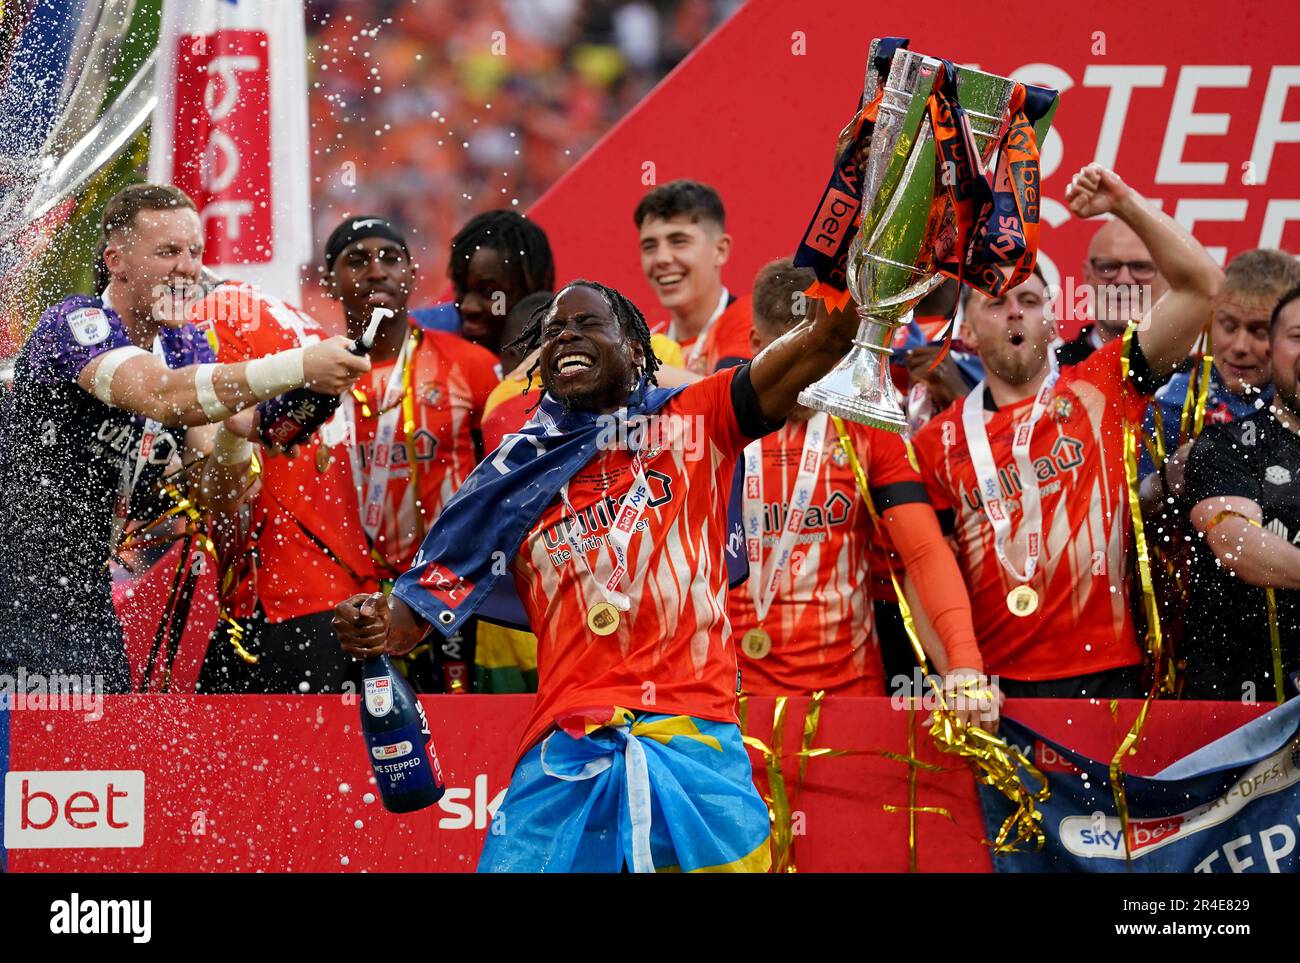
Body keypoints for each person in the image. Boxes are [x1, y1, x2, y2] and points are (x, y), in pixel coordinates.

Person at [334, 269, 896, 872]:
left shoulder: (698, 419)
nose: (565, 336)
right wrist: (367, 621)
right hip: (564, 753)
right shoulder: (508, 478)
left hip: (695, 742)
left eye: (586, 323)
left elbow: (825, 340)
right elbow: (405, 621)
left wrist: (869, 234)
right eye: (552, 332)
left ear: (634, 349)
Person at [0, 183, 368, 692]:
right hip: (15, 584)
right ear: (117, 260)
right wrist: (299, 364)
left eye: (194, 252)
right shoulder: (77, 322)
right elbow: (161, 395)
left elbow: (214, 495)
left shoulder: (185, 342)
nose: (188, 268)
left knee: (98, 756)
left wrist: (240, 433)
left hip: (83, 593)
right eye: (167, 251)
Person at [912, 164, 1224, 698]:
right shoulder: (935, 442)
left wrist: (1125, 201)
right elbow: (925, 574)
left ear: (1053, 321)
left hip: (1107, 675)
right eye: (996, 302)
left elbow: (1204, 287)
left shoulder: (1102, 384)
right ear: (966, 330)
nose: (1015, 313)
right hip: (995, 688)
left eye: (1029, 301)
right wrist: (957, 676)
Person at [728, 258, 992, 721]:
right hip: (730, 707)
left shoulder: (865, 425)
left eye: (825, 353)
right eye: (791, 355)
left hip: (847, 705)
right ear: (756, 345)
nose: (809, 374)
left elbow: (924, 552)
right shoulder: (716, 423)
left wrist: (964, 665)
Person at [327, 216, 499, 693]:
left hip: (452, 589)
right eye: (357, 260)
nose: (376, 270)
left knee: (461, 733)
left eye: (390, 258)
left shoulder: (470, 365)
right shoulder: (317, 378)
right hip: (353, 599)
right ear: (329, 281)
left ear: (411, 273)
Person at [192, 280, 379, 695]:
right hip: (346, 590)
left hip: (284, 595)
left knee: (256, 755)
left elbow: (221, 473)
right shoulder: (289, 315)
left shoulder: (213, 315)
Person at [1183, 284, 1300, 701]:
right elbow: (1233, 541)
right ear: (1273, 348)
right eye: (1298, 335)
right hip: (1238, 713)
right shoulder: (1227, 444)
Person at [1139, 249, 1300, 513]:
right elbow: (1120, 510)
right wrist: (1161, 482)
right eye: (1228, 326)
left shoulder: (1294, 405)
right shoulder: (1173, 403)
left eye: (1259, 331)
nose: (1239, 346)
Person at [635, 179, 753, 374]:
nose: (661, 258)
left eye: (679, 241)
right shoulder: (649, 344)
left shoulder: (753, 322)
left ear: (720, 250)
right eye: (649, 246)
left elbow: (730, 396)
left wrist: (632, 371)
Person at [410, 210, 556, 355]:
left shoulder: (564, 355)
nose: (468, 307)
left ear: (532, 293)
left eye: (489, 292)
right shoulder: (419, 335)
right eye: (461, 288)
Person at [1055, 213, 1169, 366]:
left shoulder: (1194, 378)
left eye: (1141, 267)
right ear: (1088, 276)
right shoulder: (1053, 371)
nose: (1123, 280)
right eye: (1108, 267)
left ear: (1167, 279)